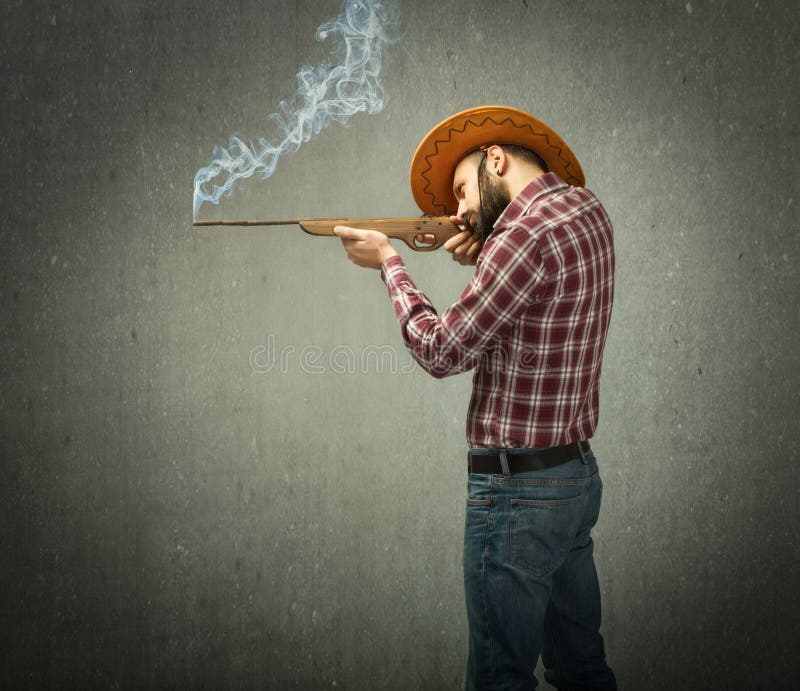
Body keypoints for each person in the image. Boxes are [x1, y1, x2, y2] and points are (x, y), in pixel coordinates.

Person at [334, 105, 617, 691]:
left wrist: (390, 262)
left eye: (461, 191)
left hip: (517, 494)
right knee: (582, 670)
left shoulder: (522, 234)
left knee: (498, 680)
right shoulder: (586, 210)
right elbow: (531, 303)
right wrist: (485, 252)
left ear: (496, 158)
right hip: (574, 476)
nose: (459, 211)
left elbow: (441, 351)